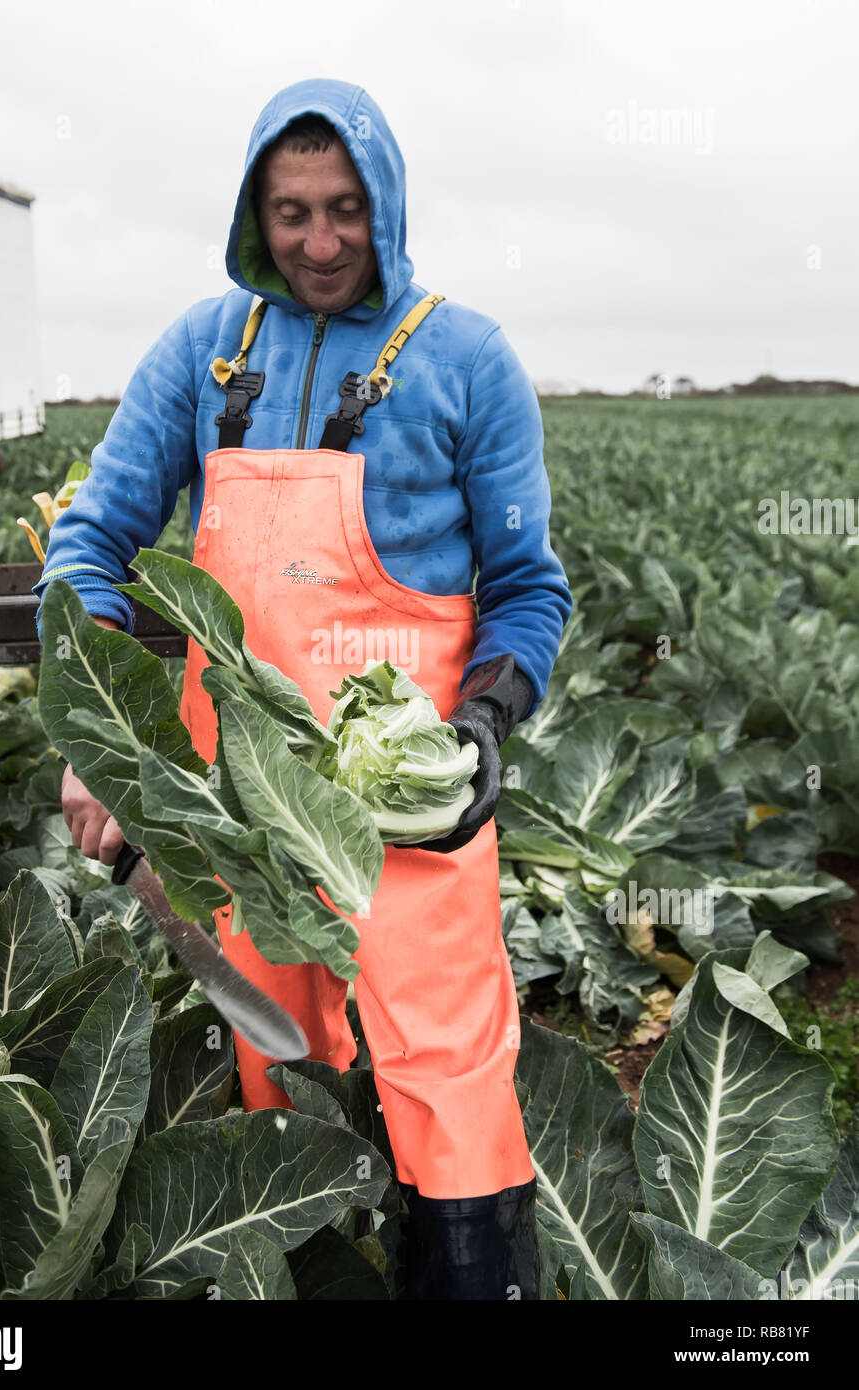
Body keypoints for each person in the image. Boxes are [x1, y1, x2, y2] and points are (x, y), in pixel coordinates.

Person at [33, 77, 572, 1300]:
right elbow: (94, 540)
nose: (320, 243)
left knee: (449, 1077)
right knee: (278, 1070)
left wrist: (481, 726)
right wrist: (98, 729)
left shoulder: (465, 359)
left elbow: (529, 590)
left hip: (405, 811)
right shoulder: (203, 349)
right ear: (252, 212)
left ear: (384, 206)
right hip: (241, 807)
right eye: (290, 212)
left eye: (344, 209)